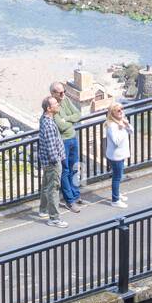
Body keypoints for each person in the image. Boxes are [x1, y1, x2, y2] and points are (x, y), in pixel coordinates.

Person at [50, 80, 83, 213]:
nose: (63, 94)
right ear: (53, 93)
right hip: (63, 141)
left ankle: (75, 195)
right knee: (65, 170)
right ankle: (69, 200)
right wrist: (70, 120)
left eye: (64, 91)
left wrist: (67, 119)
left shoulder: (66, 100)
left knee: (75, 168)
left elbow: (78, 115)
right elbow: (61, 126)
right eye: (60, 92)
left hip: (73, 138)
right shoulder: (52, 106)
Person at [37, 97, 68, 228]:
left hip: (45, 161)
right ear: (49, 108)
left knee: (46, 184)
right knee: (53, 188)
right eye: (55, 104)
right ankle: (54, 218)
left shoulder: (44, 119)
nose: (58, 105)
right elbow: (51, 147)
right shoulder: (49, 125)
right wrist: (56, 161)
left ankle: (43, 210)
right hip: (52, 162)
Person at [104, 101, 132, 207]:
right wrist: (121, 128)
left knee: (119, 176)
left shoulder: (120, 122)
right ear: (112, 113)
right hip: (115, 156)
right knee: (117, 177)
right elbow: (116, 142)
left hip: (121, 154)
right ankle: (115, 200)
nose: (121, 112)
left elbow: (131, 131)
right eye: (118, 110)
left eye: (122, 109)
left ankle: (117, 194)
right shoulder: (111, 126)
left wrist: (127, 124)